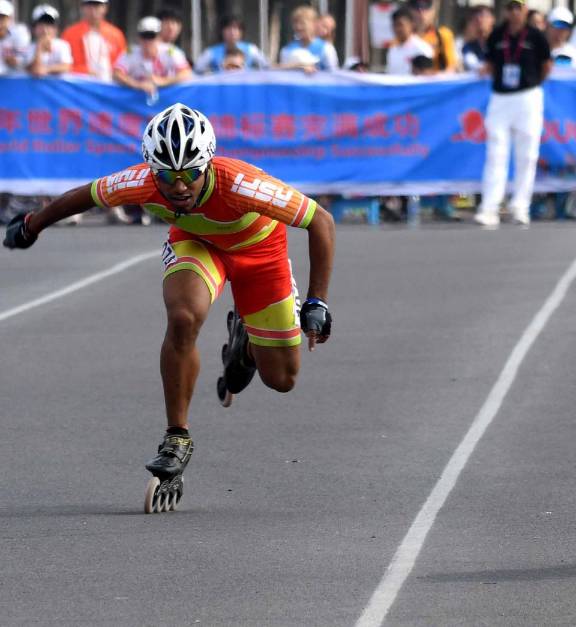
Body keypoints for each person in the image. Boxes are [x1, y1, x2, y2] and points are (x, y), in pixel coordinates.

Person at [4, 103, 337, 510]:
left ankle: (245, 345)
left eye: (190, 174)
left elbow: (320, 220)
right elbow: (83, 197)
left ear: (207, 164)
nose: (179, 186)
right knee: (183, 318)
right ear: (151, 169)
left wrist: (318, 300)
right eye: (166, 176)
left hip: (261, 254)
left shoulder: (240, 184)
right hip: (198, 246)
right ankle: (176, 437)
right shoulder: (139, 182)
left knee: (282, 380)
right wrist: (31, 226)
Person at [474, 0, 552, 227]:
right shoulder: (497, 35)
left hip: (528, 95)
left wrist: (533, 84)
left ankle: (520, 206)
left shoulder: (536, 36)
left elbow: (547, 66)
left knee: (527, 154)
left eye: (518, 7)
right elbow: (490, 64)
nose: (515, 12)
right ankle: (489, 207)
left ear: (525, 10)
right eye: (510, 8)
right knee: (496, 153)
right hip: (501, 97)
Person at [114, 17, 192, 100]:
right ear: (139, 37)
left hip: (165, 100)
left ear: (159, 36)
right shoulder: (130, 53)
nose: (147, 41)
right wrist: (138, 85)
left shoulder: (170, 52)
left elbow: (186, 73)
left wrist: (163, 81)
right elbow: (117, 74)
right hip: (135, 102)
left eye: (151, 36)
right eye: (144, 36)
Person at [60, 0, 124, 81]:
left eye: (97, 5)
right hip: (79, 84)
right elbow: (63, 65)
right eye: (89, 5)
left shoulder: (116, 34)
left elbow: (123, 66)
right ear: (82, 8)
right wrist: (84, 71)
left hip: (109, 86)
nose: (93, 10)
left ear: (105, 7)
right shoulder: (69, 34)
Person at [196, 15, 268, 73]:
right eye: (228, 28)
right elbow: (197, 69)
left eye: (236, 28)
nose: (232, 32)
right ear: (221, 31)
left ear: (241, 31)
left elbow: (266, 66)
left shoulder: (251, 49)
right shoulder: (211, 52)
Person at [278, 5, 338, 73]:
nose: (298, 27)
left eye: (302, 23)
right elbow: (282, 74)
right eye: (295, 23)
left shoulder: (327, 49)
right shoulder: (287, 50)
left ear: (314, 24)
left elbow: (333, 75)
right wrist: (298, 66)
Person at [23, 5, 72, 78]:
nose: (45, 30)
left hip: (58, 88)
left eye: (49, 25)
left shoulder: (62, 45)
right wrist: (39, 48)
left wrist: (47, 69)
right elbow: (34, 69)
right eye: (40, 25)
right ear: (34, 28)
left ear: (56, 29)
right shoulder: (29, 47)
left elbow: (66, 66)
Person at [412, 0, 459, 72]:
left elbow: (451, 67)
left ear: (434, 11)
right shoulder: (403, 37)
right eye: (416, 7)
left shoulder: (443, 35)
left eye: (426, 7)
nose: (421, 11)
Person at [386, 6, 434, 76]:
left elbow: (426, 77)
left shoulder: (422, 49)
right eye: (394, 25)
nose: (397, 29)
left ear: (412, 24)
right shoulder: (392, 50)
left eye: (400, 25)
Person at [461, 5, 495, 72]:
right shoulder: (467, 47)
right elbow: (474, 66)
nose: (479, 20)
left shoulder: (500, 44)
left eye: (483, 16)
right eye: (475, 17)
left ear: (492, 19)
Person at [0, 0, 29, 75]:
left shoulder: (20, 33)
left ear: (9, 18)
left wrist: (14, 60)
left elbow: (24, 61)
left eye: (2, 17)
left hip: (15, 81)